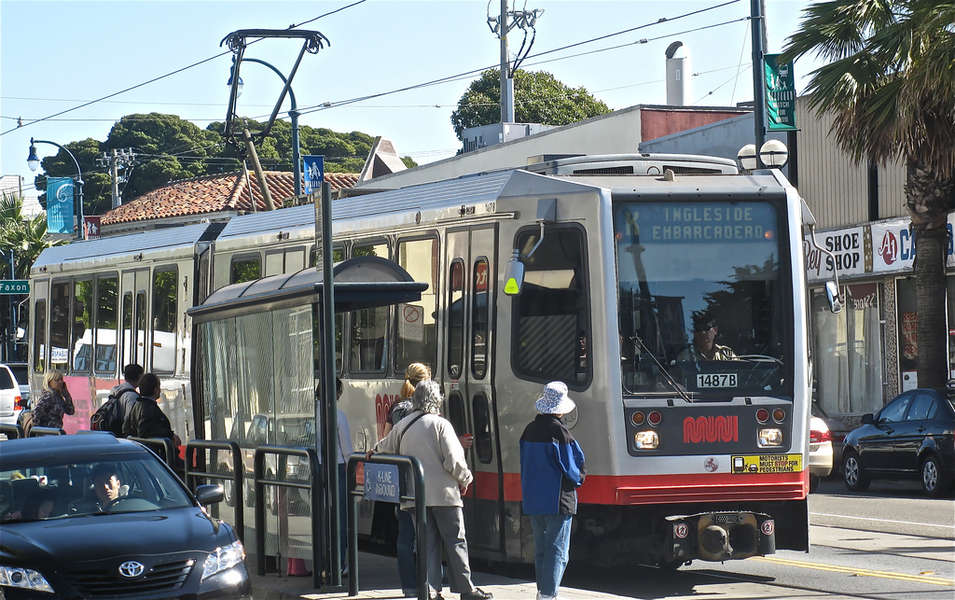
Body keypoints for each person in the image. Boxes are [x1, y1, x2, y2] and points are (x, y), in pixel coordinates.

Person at [372, 380, 492, 600]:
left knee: (427, 545)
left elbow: (384, 446)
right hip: (444, 496)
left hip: (416, 496)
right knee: (455, 541)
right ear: (437, 399)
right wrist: (465, 479)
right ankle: (466, 590)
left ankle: (431, 590)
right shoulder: (441, 425)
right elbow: (453, 461)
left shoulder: (403, 424)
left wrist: (372, 450)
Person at [519, 381, 586, 600]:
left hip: (534, 500)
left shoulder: (528, 430)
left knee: (541, 550)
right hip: (558, 499)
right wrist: (579, 478)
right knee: (558, 551)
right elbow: (573, 468)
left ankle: (542, 591)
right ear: (560, 408)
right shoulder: (560, 432)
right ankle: (548, 594)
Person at [123, 373, 184, 471]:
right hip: (158, 458)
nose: (160, 390)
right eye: (159, 386)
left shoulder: (137, 405)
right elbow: (145, 431)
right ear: (155, 389)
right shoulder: (148, 408)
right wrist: (170, 435)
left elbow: (126, 428)